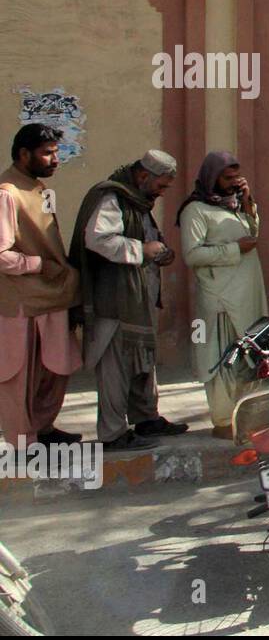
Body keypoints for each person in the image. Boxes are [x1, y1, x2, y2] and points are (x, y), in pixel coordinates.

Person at [69, 149, 186, 452]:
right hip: (115, 300)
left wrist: (159, 253)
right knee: (114, 367)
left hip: (137, 298)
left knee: (141, 361)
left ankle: (146, 417)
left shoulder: (138, 202)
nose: (161, 193)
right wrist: (141, 250)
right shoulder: (112, 197)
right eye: (160, 186)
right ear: (143, 176)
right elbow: (98, 239)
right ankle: (112, 433)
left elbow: (145, 241)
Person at [0, 124, 82, 450]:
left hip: (52, 295)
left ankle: (43, 429)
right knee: (20, 377)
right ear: (23, 154)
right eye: (47, 153)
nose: (55, 159)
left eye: (56, 152)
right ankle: (23, 442)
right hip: (21, 302)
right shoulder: (7, 193)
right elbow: (2, 255)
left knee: (55, 370)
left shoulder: (39, 190)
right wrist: (37, 266)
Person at [177, 150, 267, 439]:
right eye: (226, 178)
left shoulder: (236, 206)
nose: (232, 183)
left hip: (246, 296)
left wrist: (249, 202)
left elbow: (252, 233)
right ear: (212, 178)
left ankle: (245, 415)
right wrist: (233, 250)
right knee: (220, 361)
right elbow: (192, 255)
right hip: (220, 299)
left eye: (235, 178)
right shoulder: (195, 210)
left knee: (246, 360)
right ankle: (223, 421)